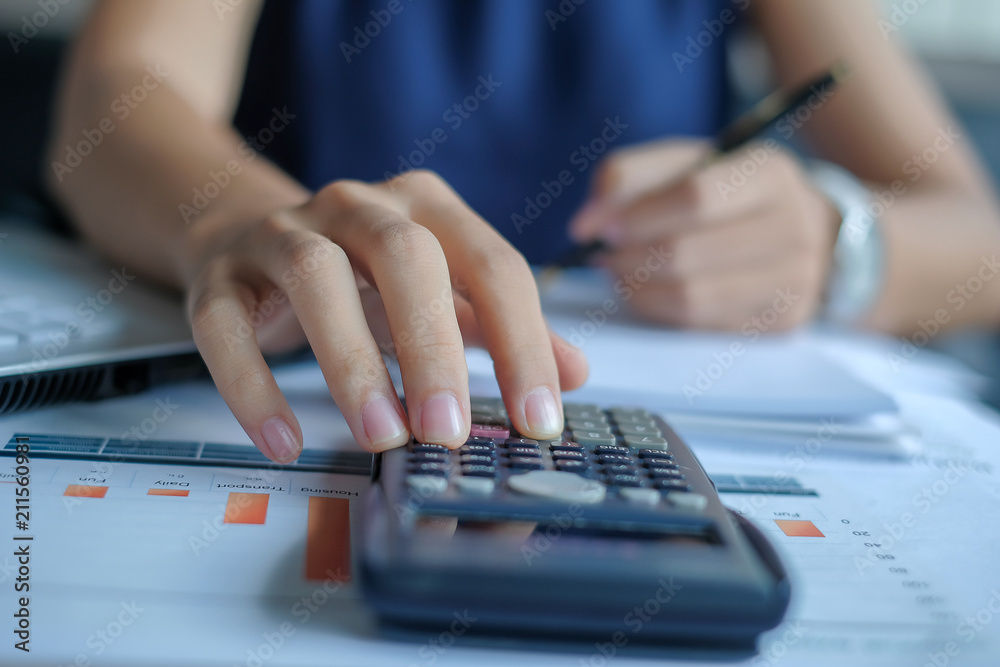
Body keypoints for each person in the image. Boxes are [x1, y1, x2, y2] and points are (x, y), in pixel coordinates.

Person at [46, 0, 1000, 463]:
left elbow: (977, 234)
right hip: (308, 382)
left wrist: (840, 242)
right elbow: (111, 102)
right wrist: (236, 219)